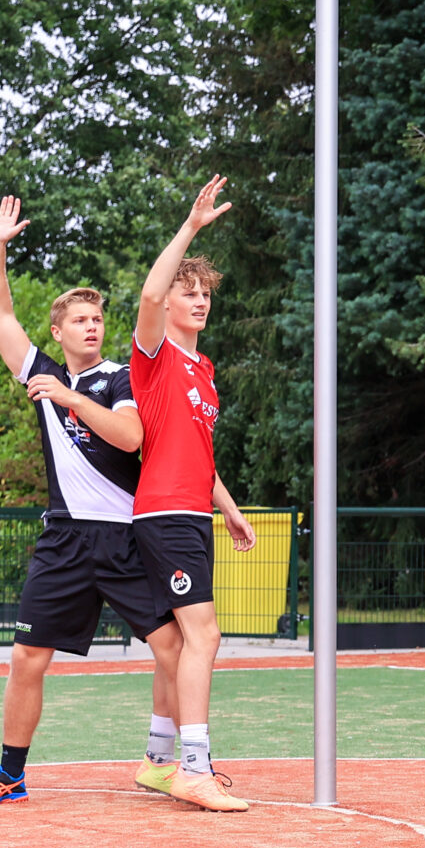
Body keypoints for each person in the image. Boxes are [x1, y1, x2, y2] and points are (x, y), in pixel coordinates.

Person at [0, 198, 184, 807]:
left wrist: (69, 398)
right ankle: (10, 774)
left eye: (98, 318)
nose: (92, 326)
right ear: (58, 332)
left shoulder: (121, 377)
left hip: (125, 536)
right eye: (80, 320)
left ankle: (168, 762)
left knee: (172, 648)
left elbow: (130, 437)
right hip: (63, 539)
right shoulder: (41, 371)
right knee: (27, 657)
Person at [131, 176, 257, 812]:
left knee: (179, 644)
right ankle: (195, 768)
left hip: (189, 512)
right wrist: (191, 227)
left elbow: (200, 457)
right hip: (164, 513)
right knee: (205, 635)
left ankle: (158, 761)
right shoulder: (155, 355)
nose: (200, 300)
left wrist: (228, 509)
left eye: (206, 293)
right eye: (191, 292)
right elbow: (151, 292)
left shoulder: (204, 371)